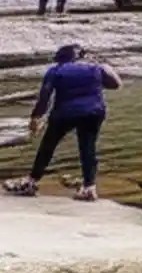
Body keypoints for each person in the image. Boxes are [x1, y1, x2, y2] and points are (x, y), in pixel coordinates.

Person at [3, 44, 122, 200]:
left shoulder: (56, 71)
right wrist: (99, 68)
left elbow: (45, 96)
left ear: (60, 59)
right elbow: (116, 84)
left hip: (65, 113)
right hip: (94, 112)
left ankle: (31, 182)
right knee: (88, 148)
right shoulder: (95, 68)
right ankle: (89, 188)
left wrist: (35, 118)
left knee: (48, 146)